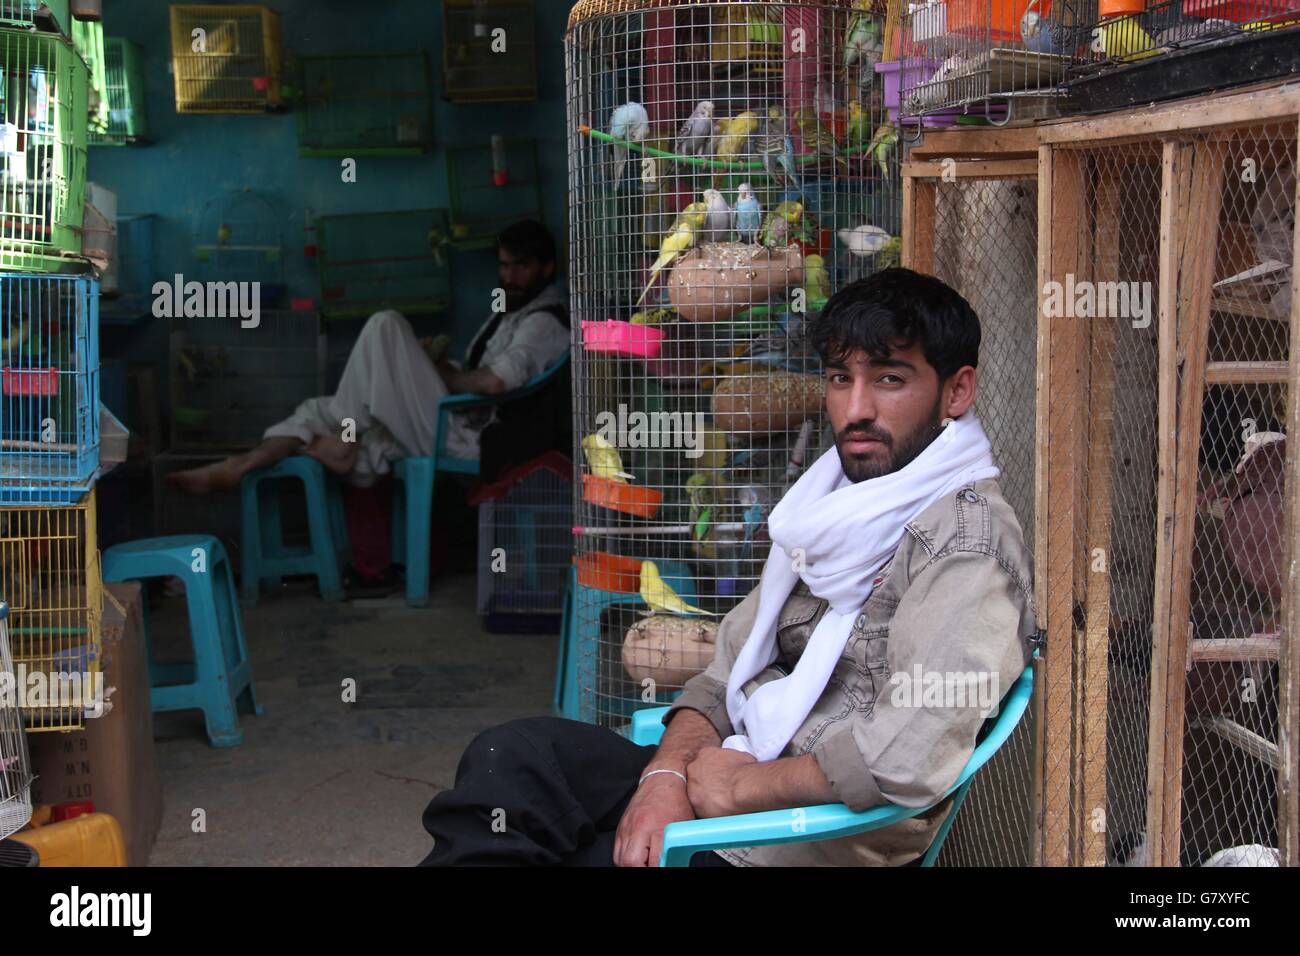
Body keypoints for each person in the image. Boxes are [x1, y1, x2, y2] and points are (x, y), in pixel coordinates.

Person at [419, 267, 1037, 867]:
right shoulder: (834, 507)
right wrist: (663, 779)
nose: (855, 410)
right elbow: (723, 673)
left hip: (801, 833)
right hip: (734, 761)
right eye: (839, 378)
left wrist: (736, 791)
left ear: (957, 391)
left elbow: (904, 758)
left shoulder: (967, 549)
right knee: (516, 757)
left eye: (890, 379)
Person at [167, 220, 570, 591]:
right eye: (504, 266)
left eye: (521, 267)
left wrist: (430, 371)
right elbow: (479, 373)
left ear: (547, 268)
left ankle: (345, 431)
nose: (509, 277)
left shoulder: (545, 322)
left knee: (386, 325)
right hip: (453, 418)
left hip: (472, 436)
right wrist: (433, 365)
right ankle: (241, 466)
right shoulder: (510, 313)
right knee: (320, 415)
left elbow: (496, 381)